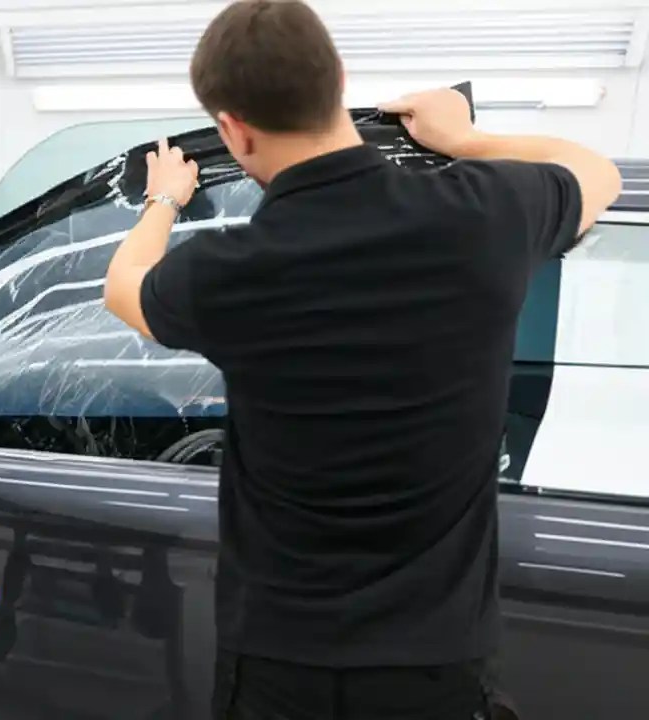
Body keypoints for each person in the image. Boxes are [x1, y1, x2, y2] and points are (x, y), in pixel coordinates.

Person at [101, 1, 622, 718]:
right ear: (338, 79)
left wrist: (162, 199)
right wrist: (465, 137)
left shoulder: (226, 272)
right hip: (434, 664)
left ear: (233, 130)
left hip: (281, 661)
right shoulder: (483, 217)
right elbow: (596, 172)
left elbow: (123, 290)